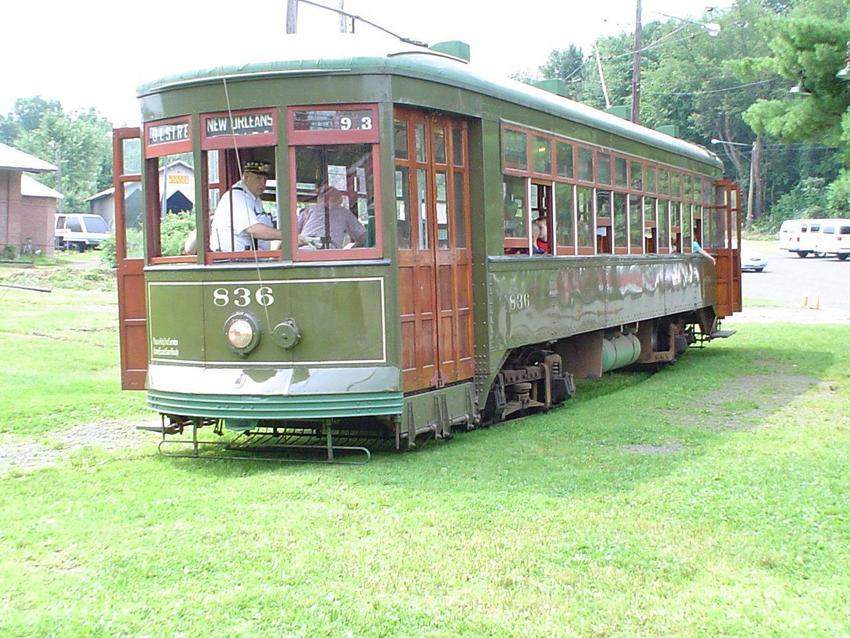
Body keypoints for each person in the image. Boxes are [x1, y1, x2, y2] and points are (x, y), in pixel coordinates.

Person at [210, 161, 280, 252]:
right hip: (231, 258)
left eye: (265, 179)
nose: (263, 184)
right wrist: (287, 236)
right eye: (258, 178)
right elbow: (253, 229)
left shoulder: (254, 199)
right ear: (246, 177)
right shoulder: (237, 197)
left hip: (249, 258)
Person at [297, 186, 367, 250]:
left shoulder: (310, 209)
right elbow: (363, 237)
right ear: (339, 199)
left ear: (320, 198)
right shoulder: (344, 212)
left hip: (304, 248)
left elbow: (294, 231)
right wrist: (352, 249)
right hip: (329, 250)